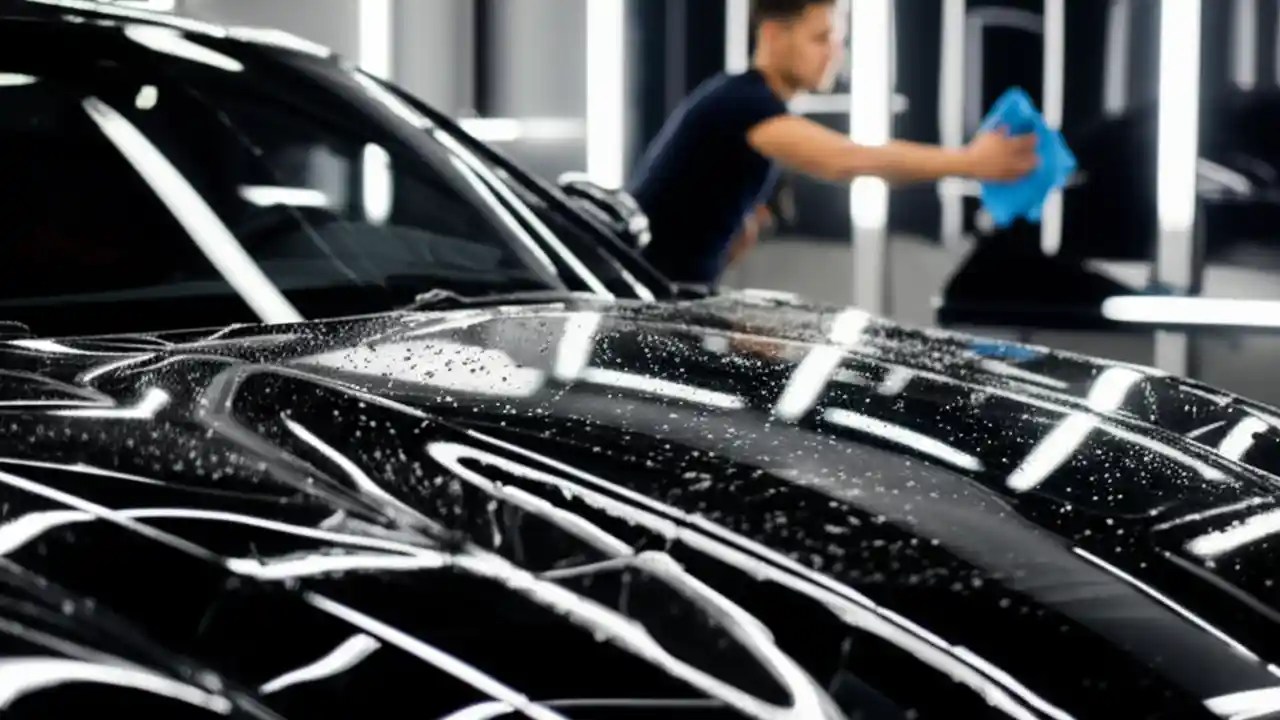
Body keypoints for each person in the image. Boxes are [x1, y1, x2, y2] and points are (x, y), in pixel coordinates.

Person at [627, 0, 1040, 287]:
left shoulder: (746, 103)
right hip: (639, 304)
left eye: (839, 40)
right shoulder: (742, 102)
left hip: (667, 297)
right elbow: (846, 160)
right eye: (821, 38)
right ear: (773, 35)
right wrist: (972, 162)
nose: (835, 54)